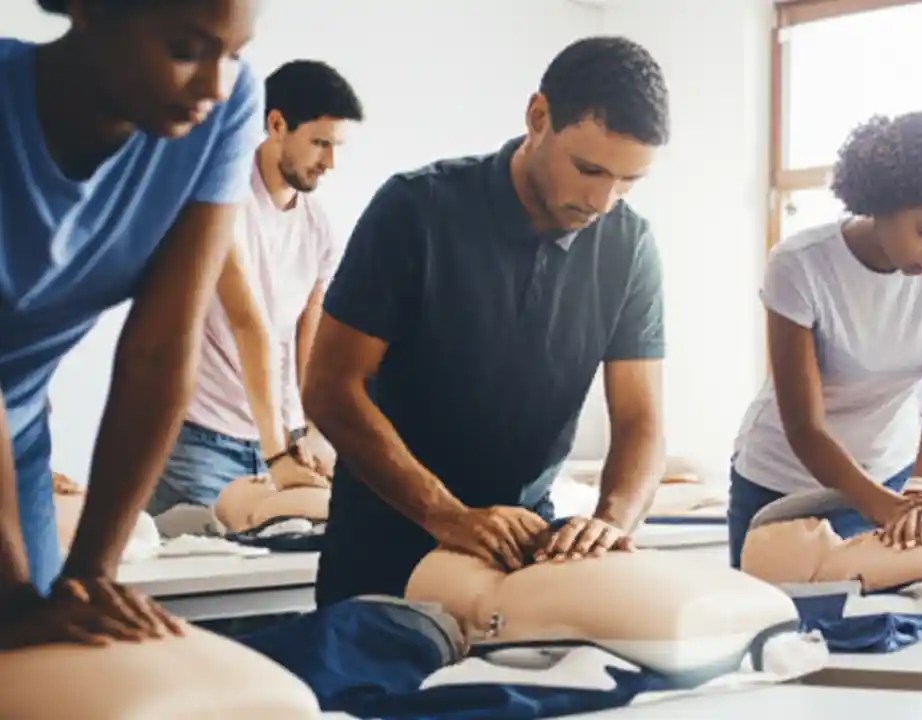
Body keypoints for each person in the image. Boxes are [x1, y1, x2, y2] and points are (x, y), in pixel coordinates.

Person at [303, 36, 669, 606]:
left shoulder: (631, 246)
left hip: (520, 555)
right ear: (538, 116)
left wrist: (612, 521)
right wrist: (444, 513)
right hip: (384, 549)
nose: (603, 200)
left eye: (628, 182)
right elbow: (329, 388)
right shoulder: (415, 209)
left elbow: (641, 419)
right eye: (589, 169)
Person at [0, 0, 263, 649]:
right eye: (185, 49)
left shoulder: (224, 111)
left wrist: (93, 576)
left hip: (17, 432)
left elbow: (161, 350)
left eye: (232, 54)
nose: (214, 85)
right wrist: (11, 597)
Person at [726, 111, 922, 568]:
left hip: (892, 472)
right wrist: (880, 505)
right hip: (782, 480)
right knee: (778, 624)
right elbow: (805, 425)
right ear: (880, 204)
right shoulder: (800, 265)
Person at [147, 59, 363, 516]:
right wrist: (277, 453)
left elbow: (308, 340)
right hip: (200, 440)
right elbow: (250, 324)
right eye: (320, 143)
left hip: (277, 442)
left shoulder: (319, 230)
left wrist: (308, 432)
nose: (330, 163)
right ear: (276, 124)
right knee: (204, 575)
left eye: (337, 146)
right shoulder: (222, 198)